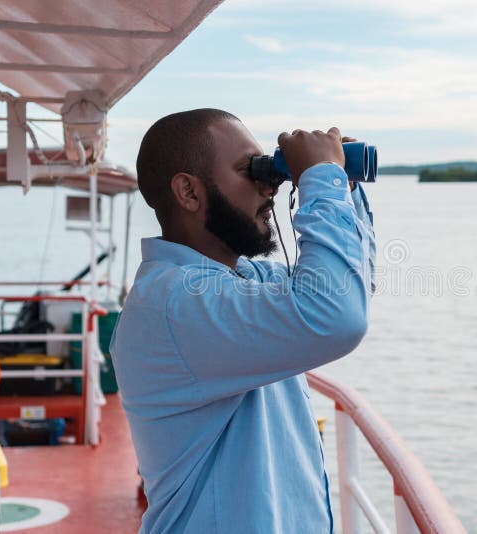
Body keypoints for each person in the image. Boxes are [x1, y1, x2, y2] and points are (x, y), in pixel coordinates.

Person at [110, 108, 376, 533]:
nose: (268, 183)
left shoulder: (239, 279)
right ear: (189, 193)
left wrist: (340, 184)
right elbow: (336, 316)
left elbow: (347, 285)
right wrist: (319, 178)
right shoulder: (175, 302)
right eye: (249, 169)